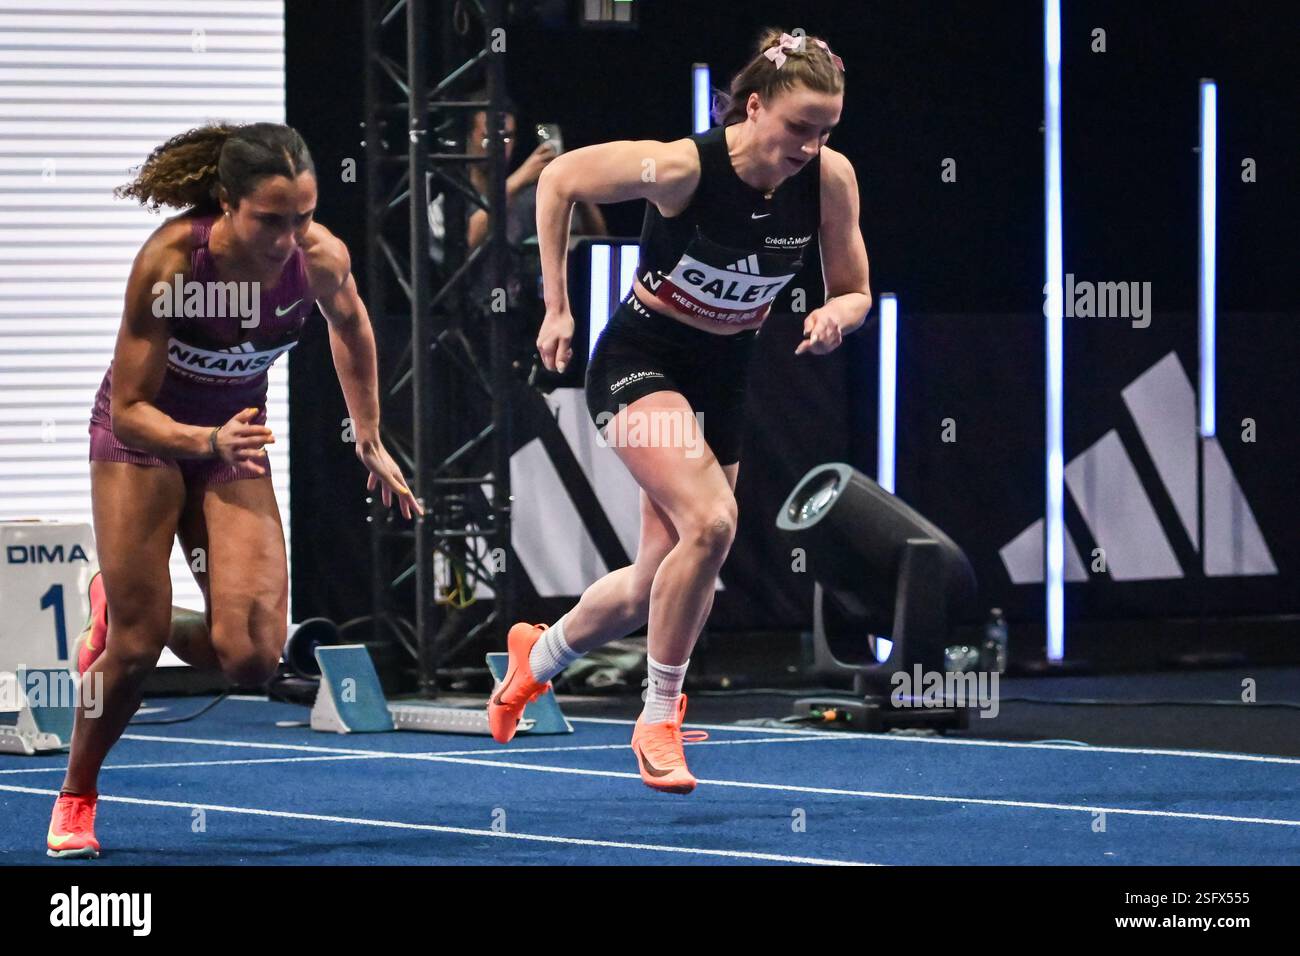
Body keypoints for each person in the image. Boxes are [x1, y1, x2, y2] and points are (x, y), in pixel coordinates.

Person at [486, 30, 871, 794]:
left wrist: (838, 317)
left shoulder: (829, 179)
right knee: (715, 523)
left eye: (826, 129)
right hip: (641, 362)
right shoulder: (684, 167)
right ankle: (657, 716)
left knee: (649, 581)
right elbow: (560, 177)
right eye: (798, 127)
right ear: (753, 107)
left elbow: (854, 286)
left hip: (723, 376)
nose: (811, 145)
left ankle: (539, 657)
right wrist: (556, 307)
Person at [46, 122, 420, 858]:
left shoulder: (318, 259)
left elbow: (351, 324)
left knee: (252, 656)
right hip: (142, 443)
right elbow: (130, 409)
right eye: (271, 220)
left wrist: (370, 436)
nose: (289, 238)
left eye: (303, 217)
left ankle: (123, 604)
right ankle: (77, 796)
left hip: (231, 441)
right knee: (134, 647)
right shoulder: (172, 263)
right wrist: (205, 440)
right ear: (226, 203)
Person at [428, 93, 607, 309]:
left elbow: (597, 240)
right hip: (470, 321)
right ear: (467, 138)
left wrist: (576, 188)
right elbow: (457, 251)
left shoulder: (530, 198)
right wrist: (518, 180)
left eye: (507, 138)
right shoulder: (449, 200)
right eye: (489, 137)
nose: (500, 147)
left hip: (526, 319)